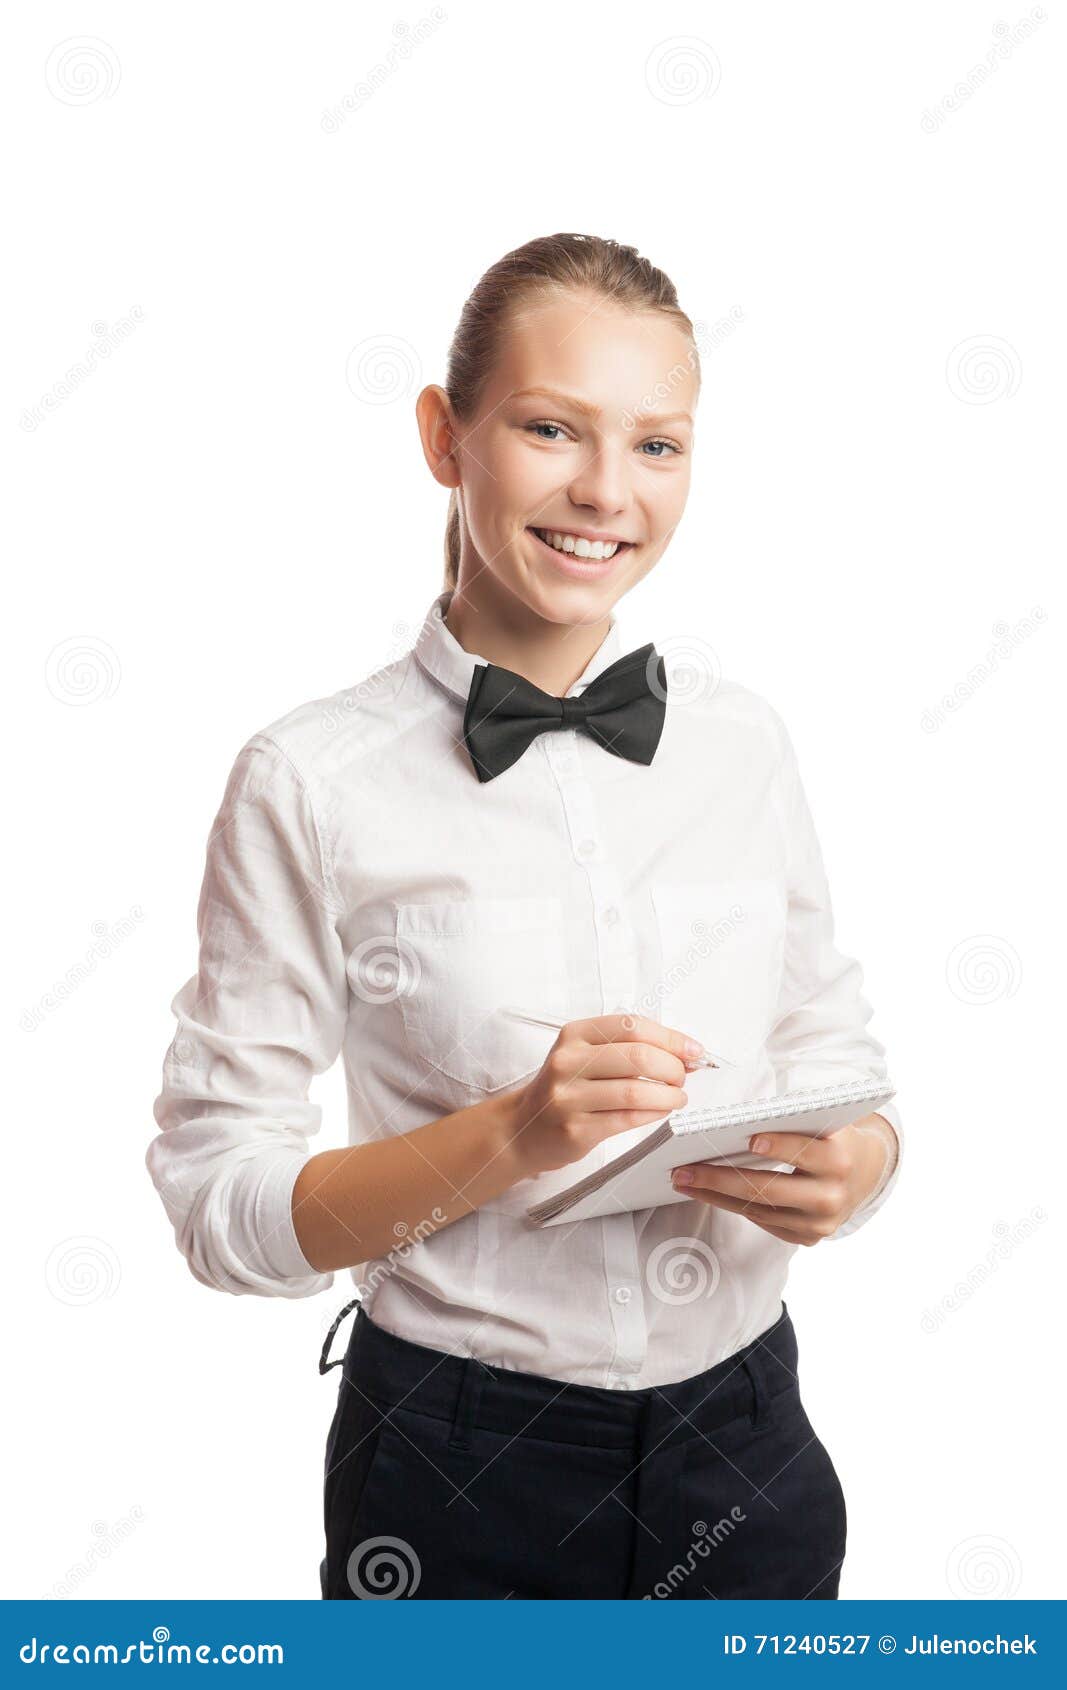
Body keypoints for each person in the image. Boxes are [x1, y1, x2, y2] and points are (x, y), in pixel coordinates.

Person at [147, 232, 902, 1601]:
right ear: (447, 435)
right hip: (456, 1468)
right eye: (552, 428)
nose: (607, 493)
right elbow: (219, 1201)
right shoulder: (309, 782)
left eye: (659, 445)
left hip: (751, 1449)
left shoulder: (746, 746)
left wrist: (863, 1163)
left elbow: (834, 1047)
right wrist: (511, 1133)